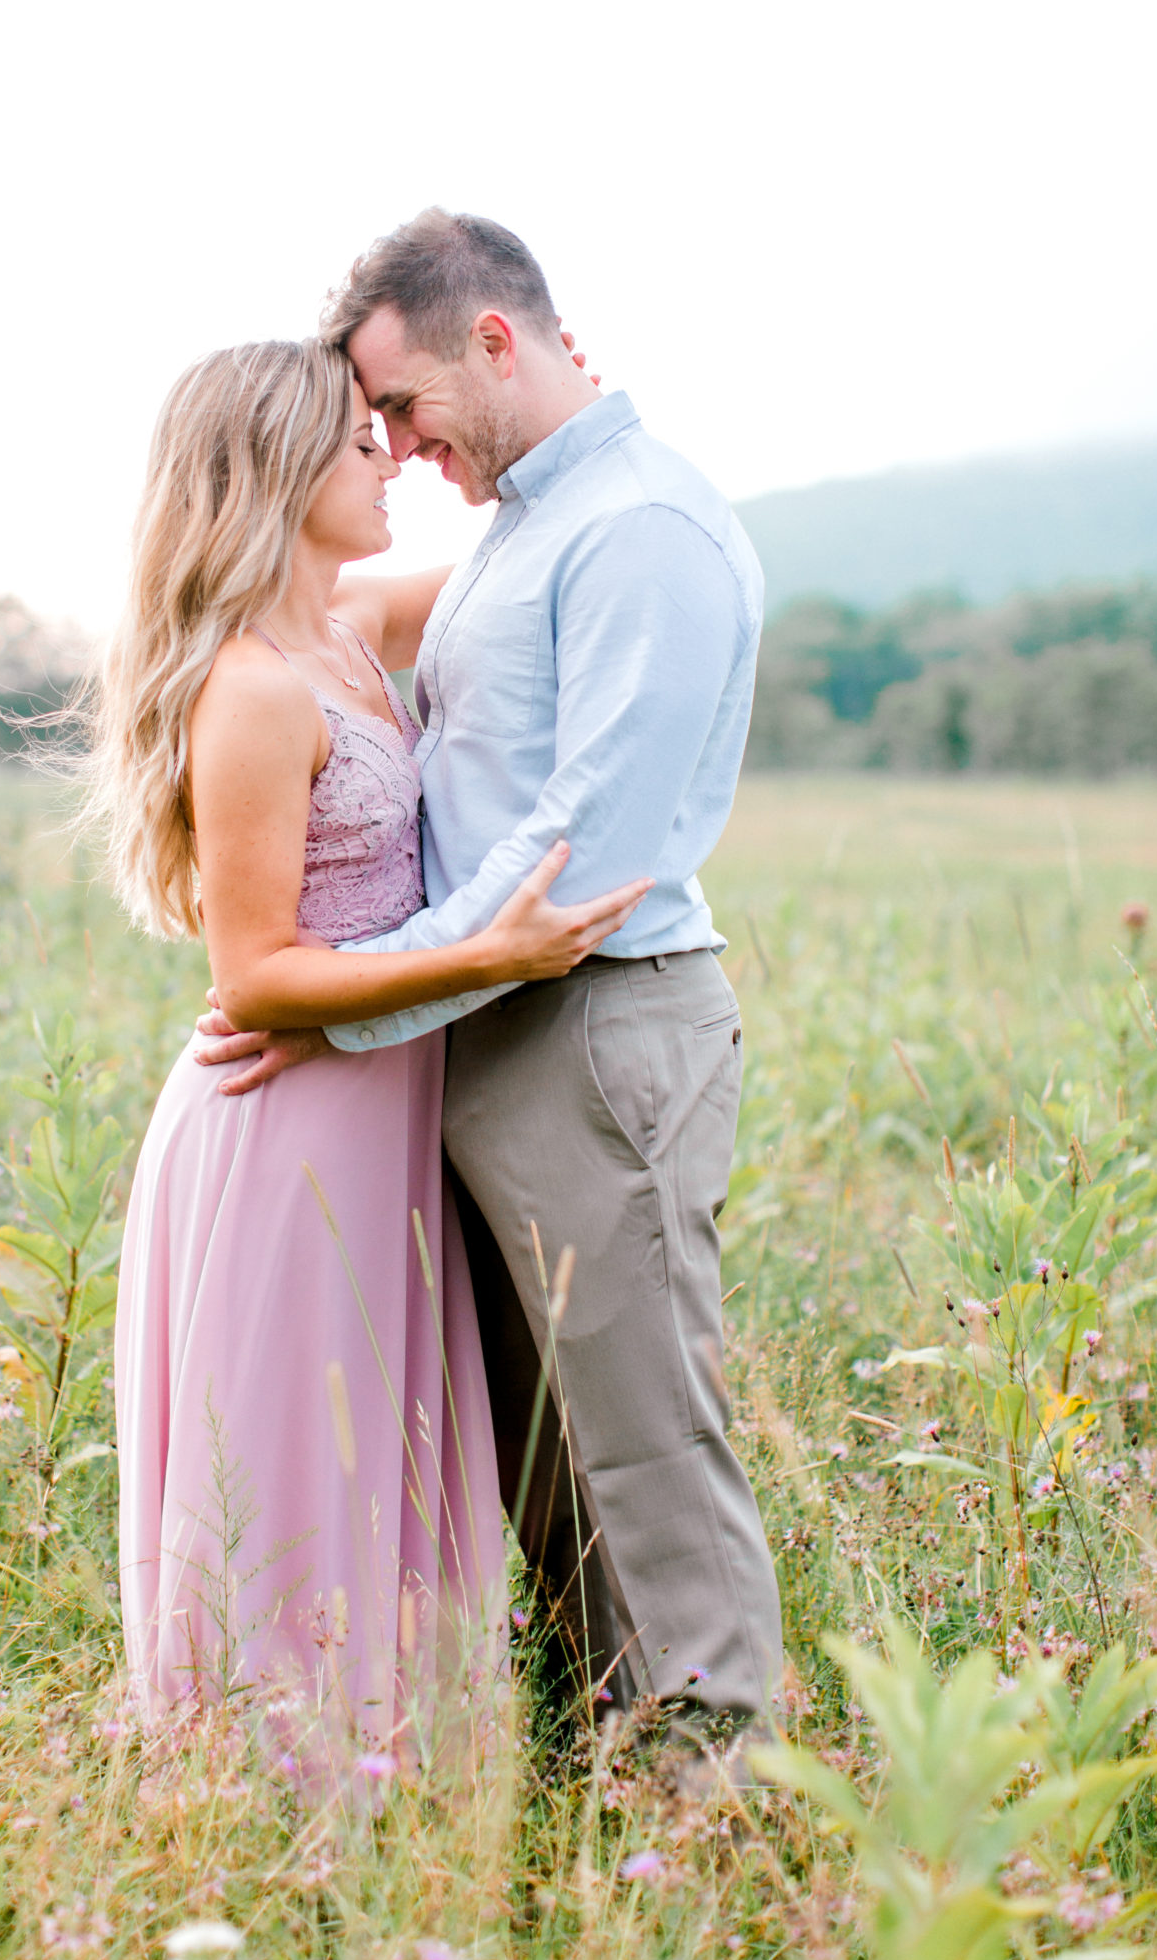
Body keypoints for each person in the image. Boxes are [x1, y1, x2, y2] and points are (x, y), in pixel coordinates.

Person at [196, 212, 784, 1763]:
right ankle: (603, 1768)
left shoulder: (642, 531)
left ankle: (711, 1810)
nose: (392, 443)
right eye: (368, 426)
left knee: (645, 1444)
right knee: (539, 1454)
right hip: (478, 1027)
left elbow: (570, 855)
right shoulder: (520, 534)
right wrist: (312, 989)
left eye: (399, 406)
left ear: (496, 343)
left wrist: (331, 998)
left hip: (591, 1025)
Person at [80, 337, 649, 1765]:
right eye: (357, 440)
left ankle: (396, 1789)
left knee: (379, 1454)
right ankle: (270, 1811)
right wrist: (495, 954)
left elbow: (543, 561)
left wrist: (576, 411)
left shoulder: (347, 623)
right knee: (290, 1467)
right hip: (294, 1125)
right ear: (276, 470)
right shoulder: (257, 687)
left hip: (384, 1108)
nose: (392, 453)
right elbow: (256, 973)